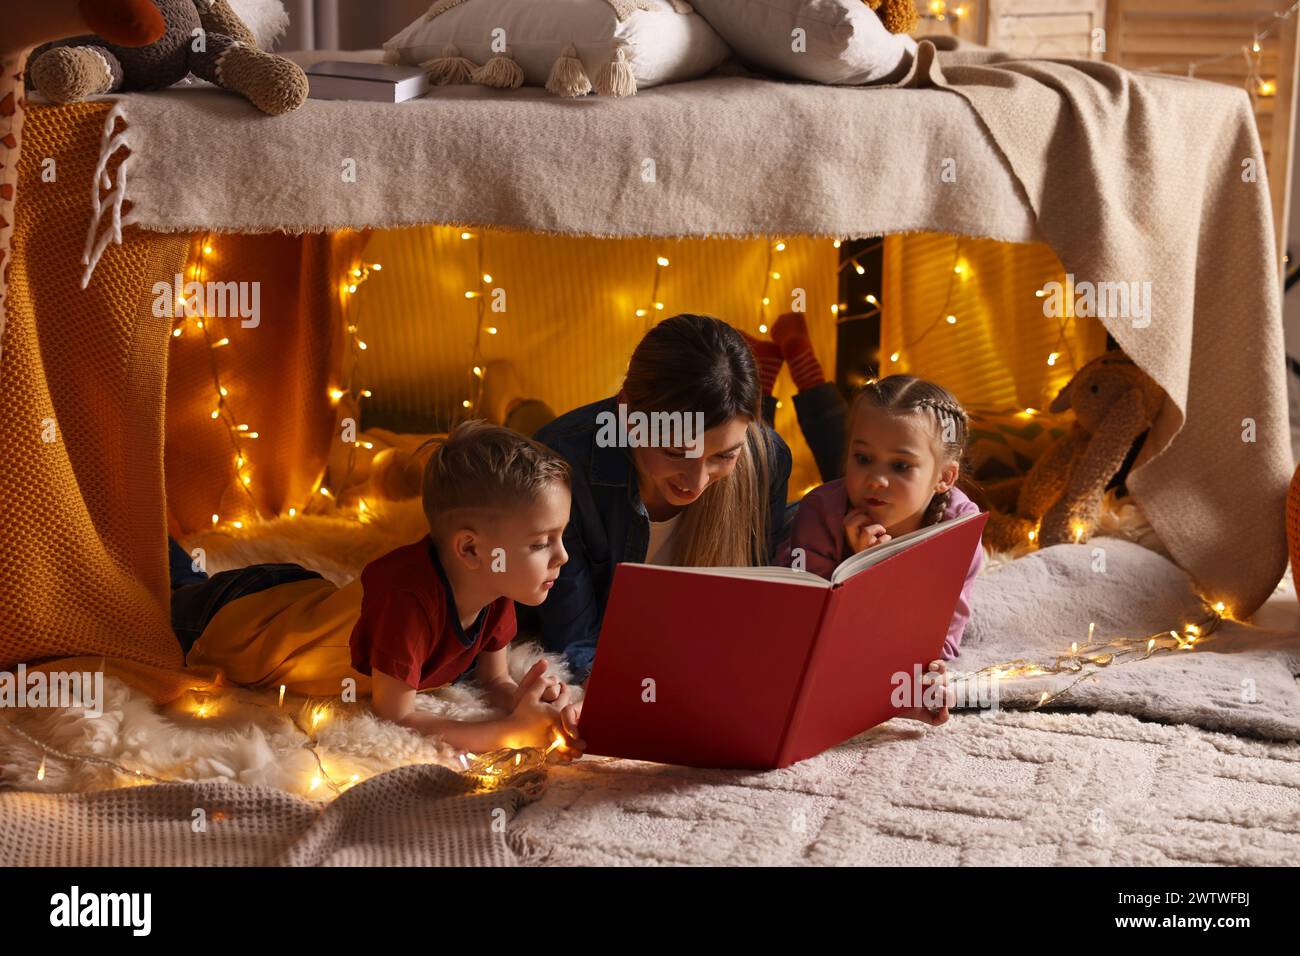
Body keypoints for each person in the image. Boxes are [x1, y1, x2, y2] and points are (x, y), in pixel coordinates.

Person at [170, 421, 583, 756]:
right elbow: (397, 717)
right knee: (155, 591)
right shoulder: (406, 597)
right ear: (471, 549)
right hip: (238, 619)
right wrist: (508, 732)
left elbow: (494, 681)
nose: (562, 556)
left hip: (298, 594)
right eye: (540, 542)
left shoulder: (495, 587)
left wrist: (533, 706)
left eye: (560, 536)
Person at [776, 374, 985, 661]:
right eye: (862, 458)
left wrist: (878, 576)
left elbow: (942, 644)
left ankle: (806, 371)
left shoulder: (960, 531)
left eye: (900, 465)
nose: (876, 480)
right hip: (789, 525)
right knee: (765, 459)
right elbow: (806, 629)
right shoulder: (819, 513)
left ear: (945, 477)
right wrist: (858, 572)